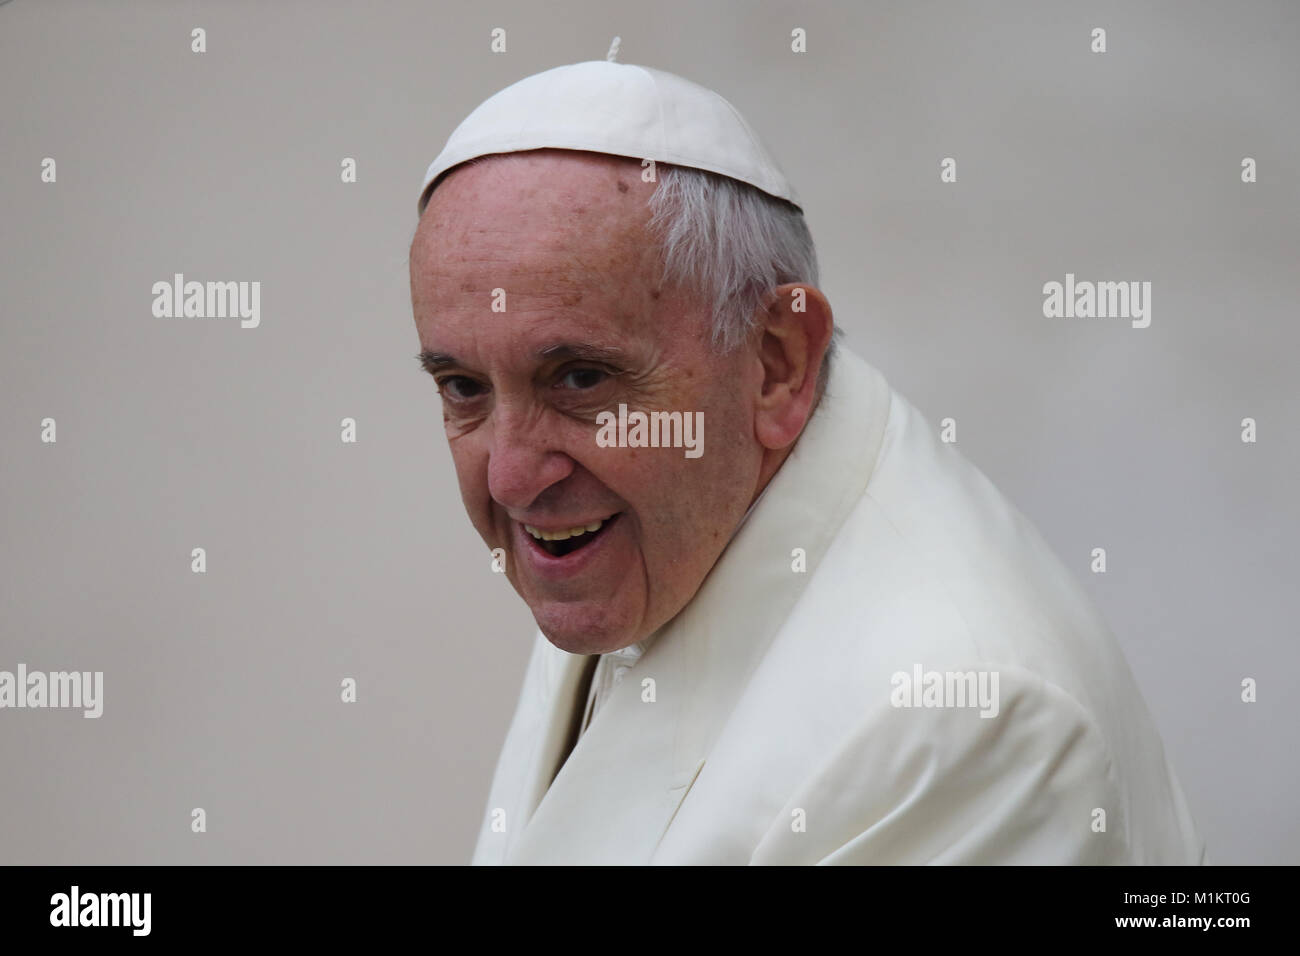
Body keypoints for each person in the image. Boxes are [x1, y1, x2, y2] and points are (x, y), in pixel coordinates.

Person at [407, 58, 1207, 864]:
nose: (511, 478)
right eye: (464, 387)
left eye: (581, 379)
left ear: (777, 361)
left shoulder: (968, 718)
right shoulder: (645, 525)